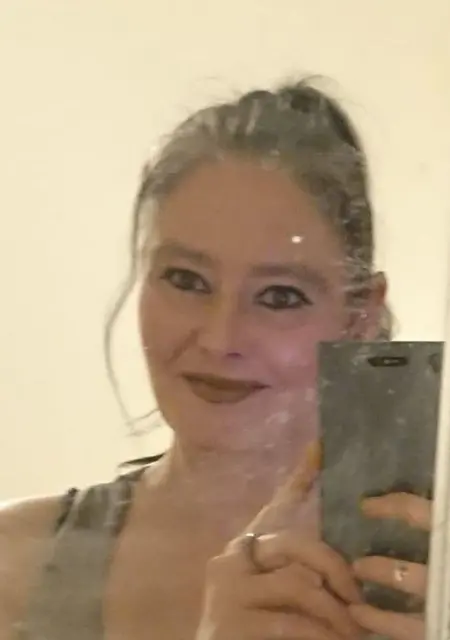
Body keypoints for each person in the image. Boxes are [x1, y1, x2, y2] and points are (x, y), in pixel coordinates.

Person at [0, 78, 431, 640]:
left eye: (280, 296)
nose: (218, 337)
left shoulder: (428, 573)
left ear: (360, 316)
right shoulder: (12, 563)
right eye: (186, 280)